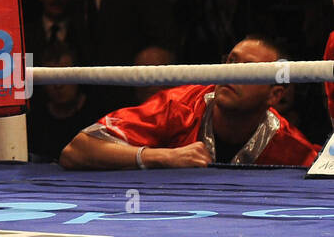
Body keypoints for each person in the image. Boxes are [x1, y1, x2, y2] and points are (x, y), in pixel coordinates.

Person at [60, 37, 319, 169]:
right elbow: (75, 151)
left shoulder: (290, 147)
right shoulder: (180, 106)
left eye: (248, 68)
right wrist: (162, 157)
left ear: (274, 95)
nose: (232, 72)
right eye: (230, 62)